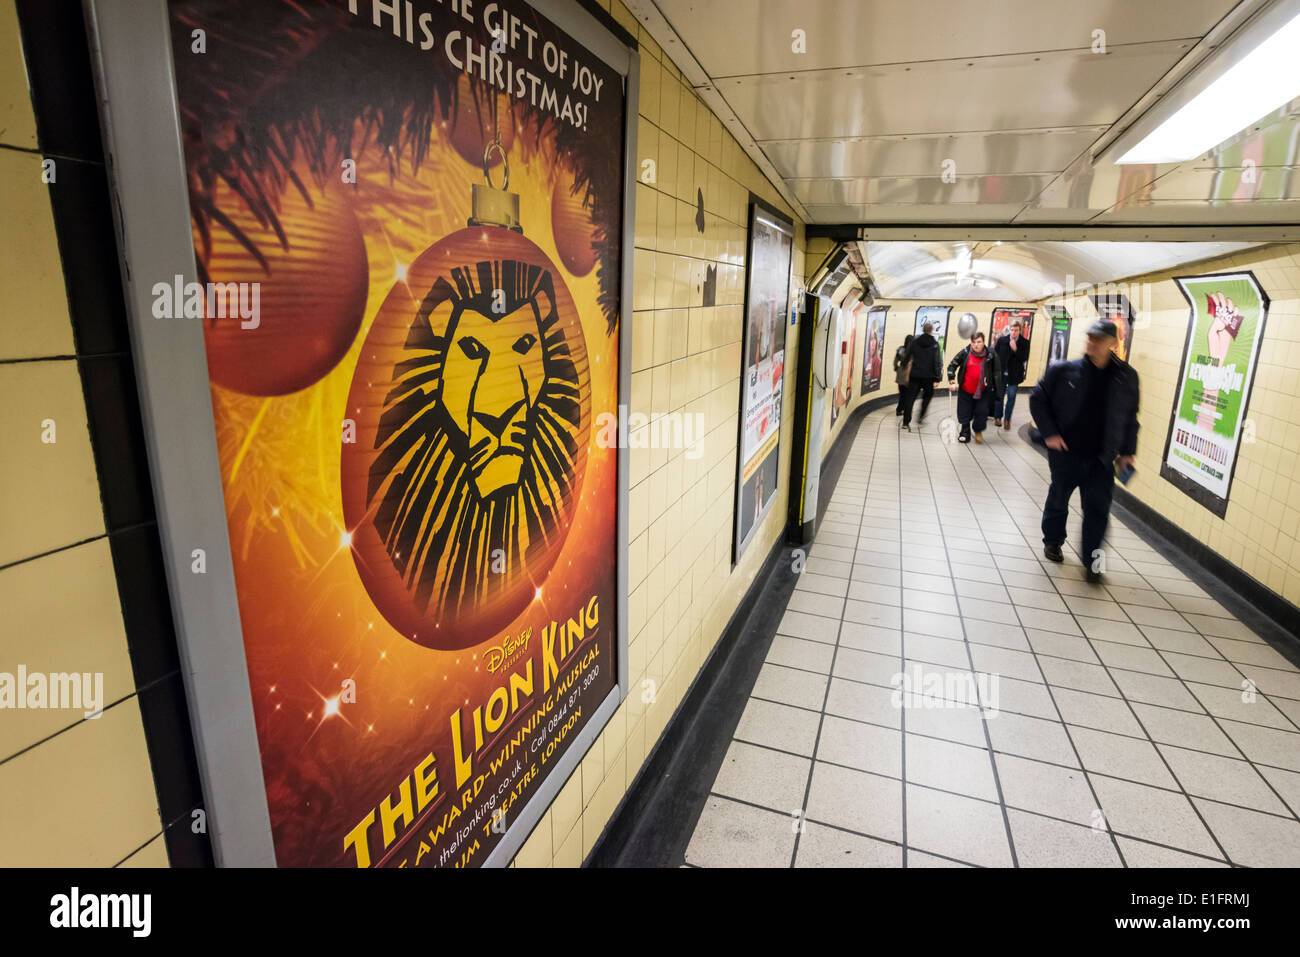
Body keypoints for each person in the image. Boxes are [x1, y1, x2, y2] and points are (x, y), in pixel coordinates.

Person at [1029, 320, 1139, 584]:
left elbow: (1130, 418)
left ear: (1113, 343)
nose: (1092, 342)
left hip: (1102, 458)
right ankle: (1053, 541)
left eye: (1099, 339)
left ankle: (1092, 564)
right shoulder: (1064, 370)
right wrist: (1050, 433)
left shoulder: (1127, 377)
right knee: (1058, 499)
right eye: (1089, 337)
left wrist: (1127, 451)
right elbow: (1038, 398)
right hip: (1067, 454)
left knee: (1098, 510)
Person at [946, 331, 1002, 444]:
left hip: (983, 391)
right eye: (974, 342)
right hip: (966, 390)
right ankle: (964, 433)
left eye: (979, 342)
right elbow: (953, 364)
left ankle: (977, 430)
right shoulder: (966, 352)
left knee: (981, 414)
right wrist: (951, 378)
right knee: (964, 412)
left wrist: (998, 391)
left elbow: (997, 372)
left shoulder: (991, 354)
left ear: (983, 342)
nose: (976, 345)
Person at [901, 323, 942, 431]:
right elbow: (937, 362)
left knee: (910, 398)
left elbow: (907, 355)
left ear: (923, 330)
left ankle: (906, 422)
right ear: (931, 330)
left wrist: (904, 365)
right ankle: (921, 416)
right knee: (927, 396)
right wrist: (938, 378)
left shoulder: (915, 342)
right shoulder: (935, 344)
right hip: (928, 377)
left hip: (915, 374)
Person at [992, 319, 1030, 429]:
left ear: (1020, 330)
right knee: (999, 397)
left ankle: (1007, 419)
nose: (1013, 332)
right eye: (1012, 330)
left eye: (1016, 330)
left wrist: (1015, 349)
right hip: (1001, 374)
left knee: (1011, 397)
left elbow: (1024, 358)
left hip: (1014, 375)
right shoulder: (1002, 340)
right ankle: (998, 417)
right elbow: (995, 355)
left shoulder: (1024, 343)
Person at [893, 333, 913, 415]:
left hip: (900, 372)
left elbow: (895, 361)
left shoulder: (900, 349)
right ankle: (903, 409)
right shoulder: (913, 351)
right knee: (908, 394)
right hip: (909, 372)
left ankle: (900, 409)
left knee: (902, 393)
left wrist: (896, 368)